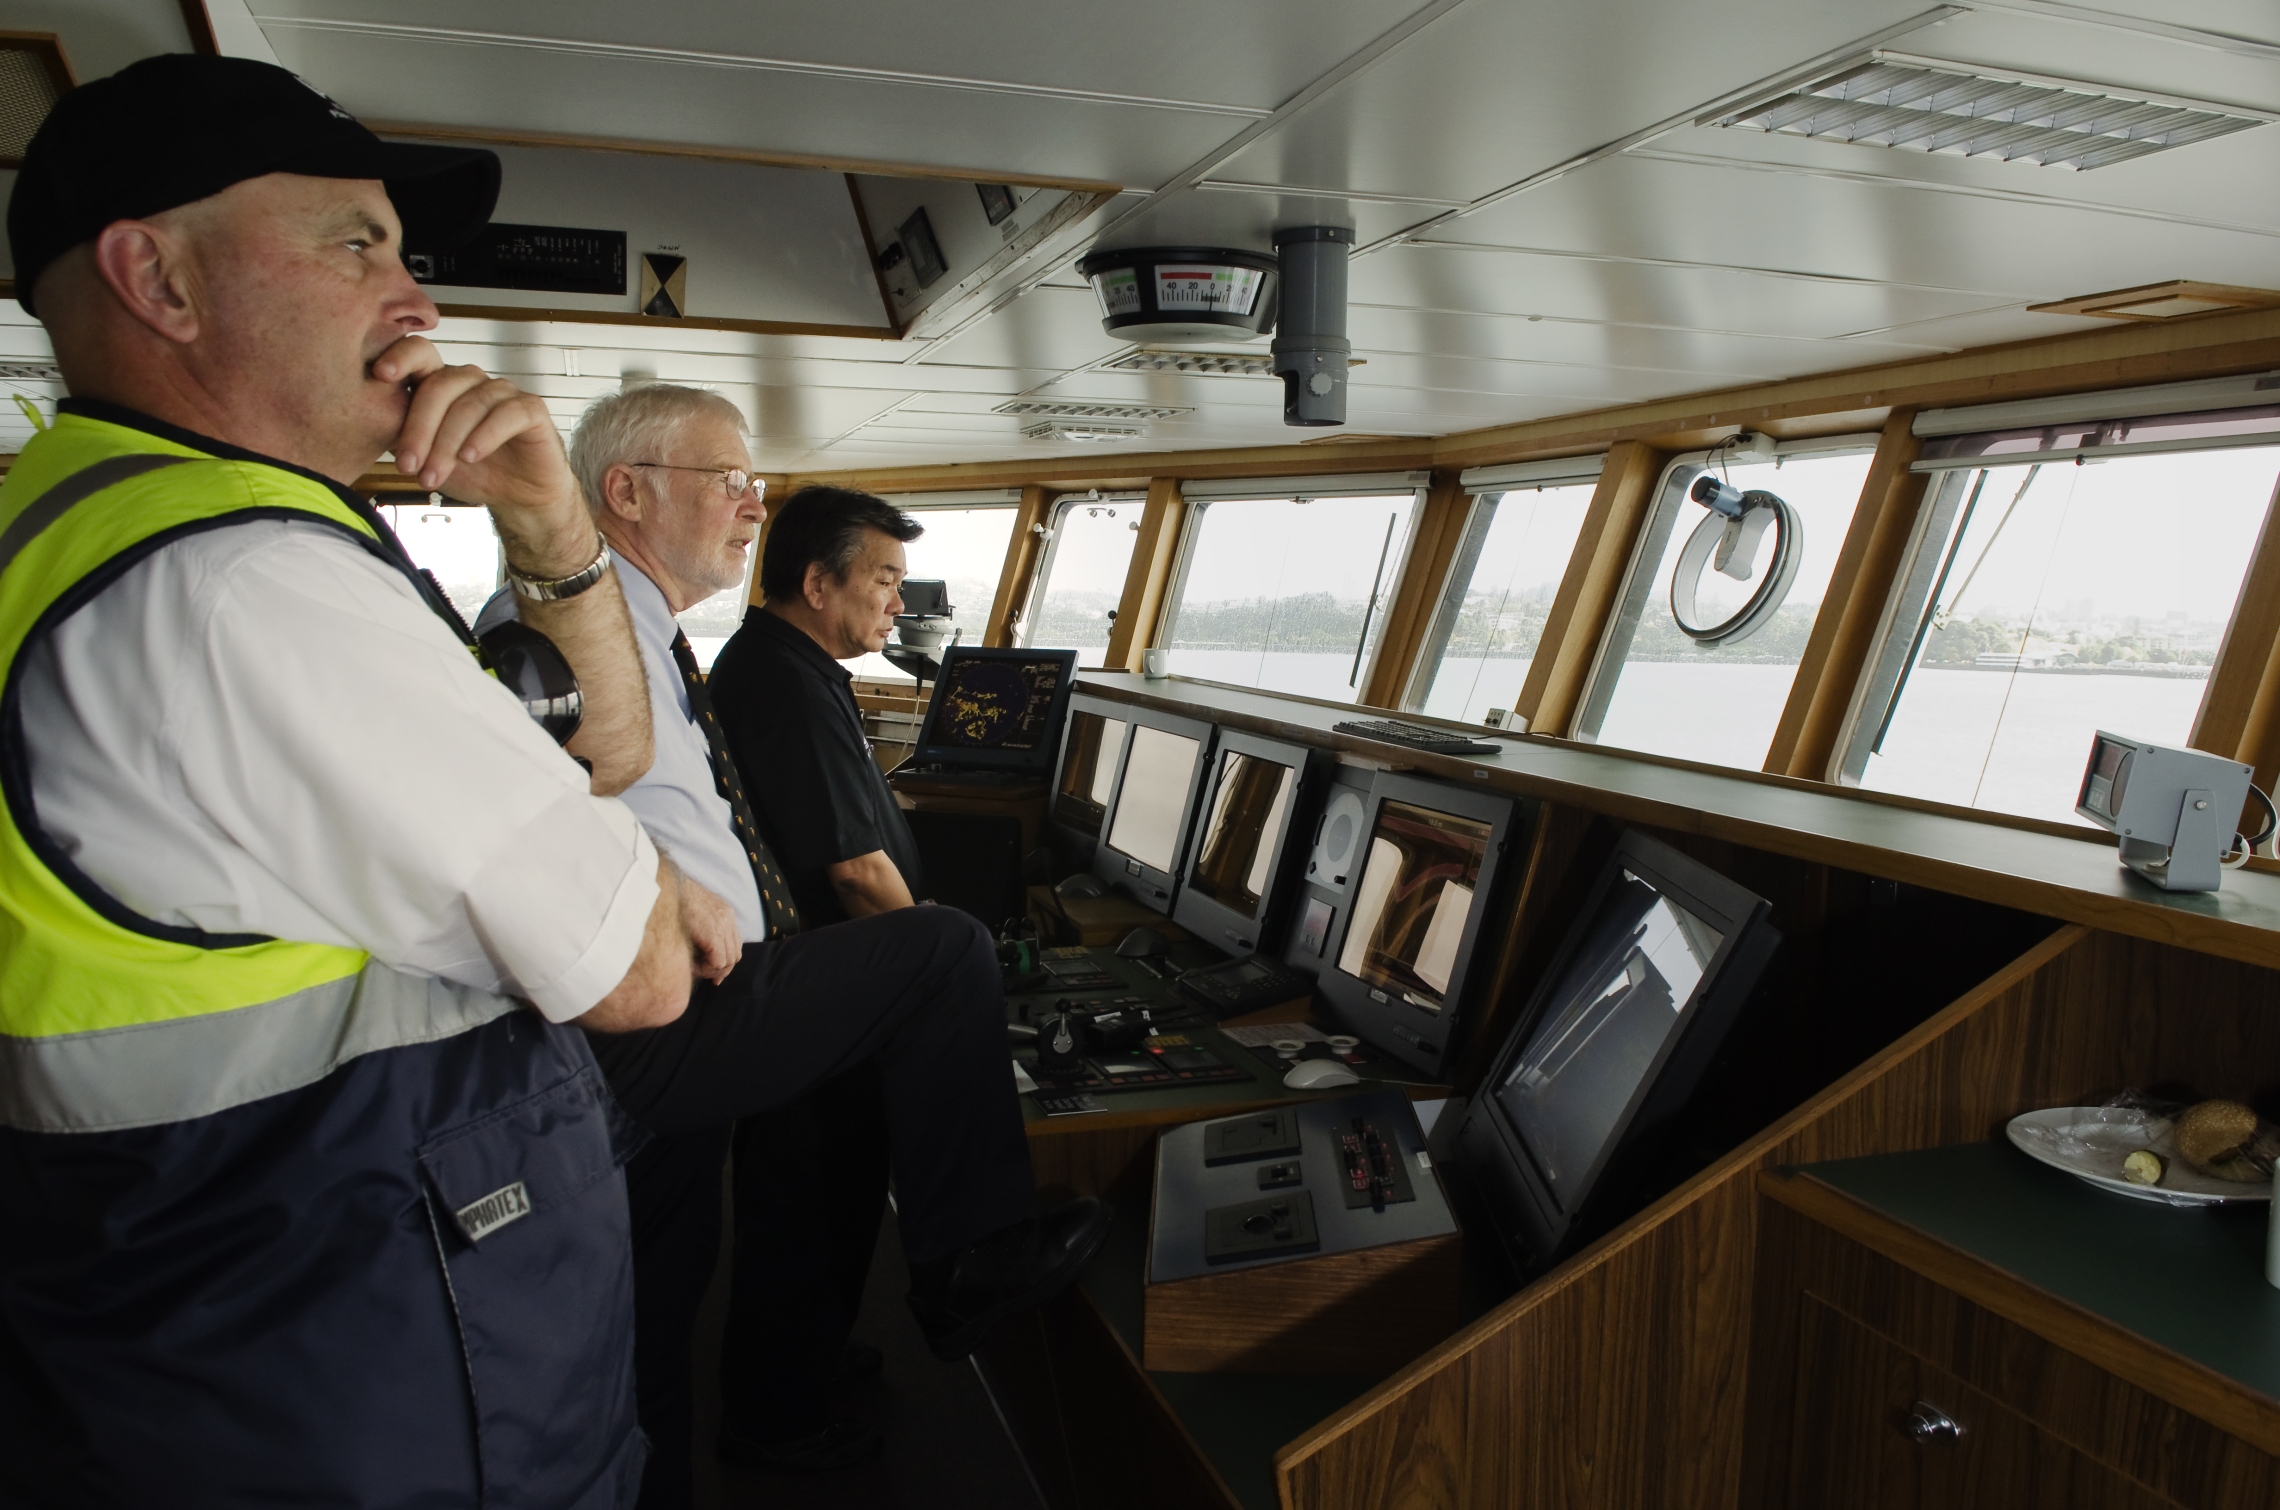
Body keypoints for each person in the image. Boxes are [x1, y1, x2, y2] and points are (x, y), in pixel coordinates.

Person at [0, 56, 711, 1508]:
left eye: (403, 247)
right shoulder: (244, 584)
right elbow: (642, 972)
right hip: (363, 1368)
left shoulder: (77, 517)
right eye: (354, 244)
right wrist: (645, 886)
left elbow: (604, 761)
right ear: (159, 279)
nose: (418, 300)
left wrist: (553, 528)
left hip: (182, 1333)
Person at [477, 386, 1109, 1504]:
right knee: (943, 950)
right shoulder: (562, 624)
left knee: (658, 1299)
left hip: (682, 997)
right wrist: (669, 887)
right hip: (669, 1006)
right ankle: (970, 1261)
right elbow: (535, 794)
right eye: (728, 479)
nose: (752, 503)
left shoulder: (652, 634)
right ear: (626, 492)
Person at [703, 486, 932, 1469]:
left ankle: (808, 1366)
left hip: (818, 990)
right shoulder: (786, 682)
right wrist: (939, 976)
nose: (896, 602)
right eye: (883, 579)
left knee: (829, 1203)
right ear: (815, 580)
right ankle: (777, 1422)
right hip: (820, 996)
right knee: (805, 1208)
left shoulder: (790, 666)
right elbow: (852, 868)